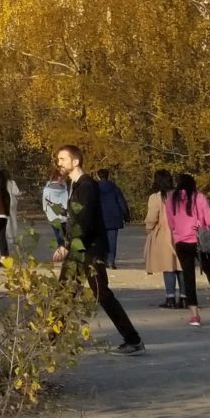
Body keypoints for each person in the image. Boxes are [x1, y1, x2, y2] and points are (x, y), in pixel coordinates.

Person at [52, 146, 143, 354]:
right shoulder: (74, 185)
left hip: (90, 249)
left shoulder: (87, 186)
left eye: (63, 159)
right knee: (64, 293)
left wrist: (68, 246)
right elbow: (75, 218)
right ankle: (51, 338)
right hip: (78, 249)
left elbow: (86, 221)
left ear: (76, 162)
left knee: (102, 294)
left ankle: (133, 340)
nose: (59, 163)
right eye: (58, 159)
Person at [167, 171, 210, 327]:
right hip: (200, 241)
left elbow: (171, 223)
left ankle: (194, 316)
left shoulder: (171, 199)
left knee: (188, 278)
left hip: (181, 242)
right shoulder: (199, 197)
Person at [142, 170, 181, 308]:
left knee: (169, 266)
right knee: (181, 266)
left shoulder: (156, 197)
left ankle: (170, 298)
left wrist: (149, 229)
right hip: (182, 233)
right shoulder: (179, 195)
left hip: (164, 233)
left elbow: (152, 217)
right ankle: (185, 297)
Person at [96, 169, 128, 268]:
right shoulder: (114, 188)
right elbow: (121, 202)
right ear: (108, 176)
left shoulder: (95, 188)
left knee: (100, 240)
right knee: (112, 241)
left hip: (99, 218)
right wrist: (126, 214)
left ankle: (102, 260)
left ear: (98, 176)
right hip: (114, 217)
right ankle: (111, 261)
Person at [40, 171, 70, 250]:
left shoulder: (47, 190)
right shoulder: (65, 189)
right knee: (65, 232)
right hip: (63, 214)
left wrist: (45, 210)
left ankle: (61, 247)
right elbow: (67, 200)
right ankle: (66, 247)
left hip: (52, 215)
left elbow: (45, 202)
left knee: (57, 232)